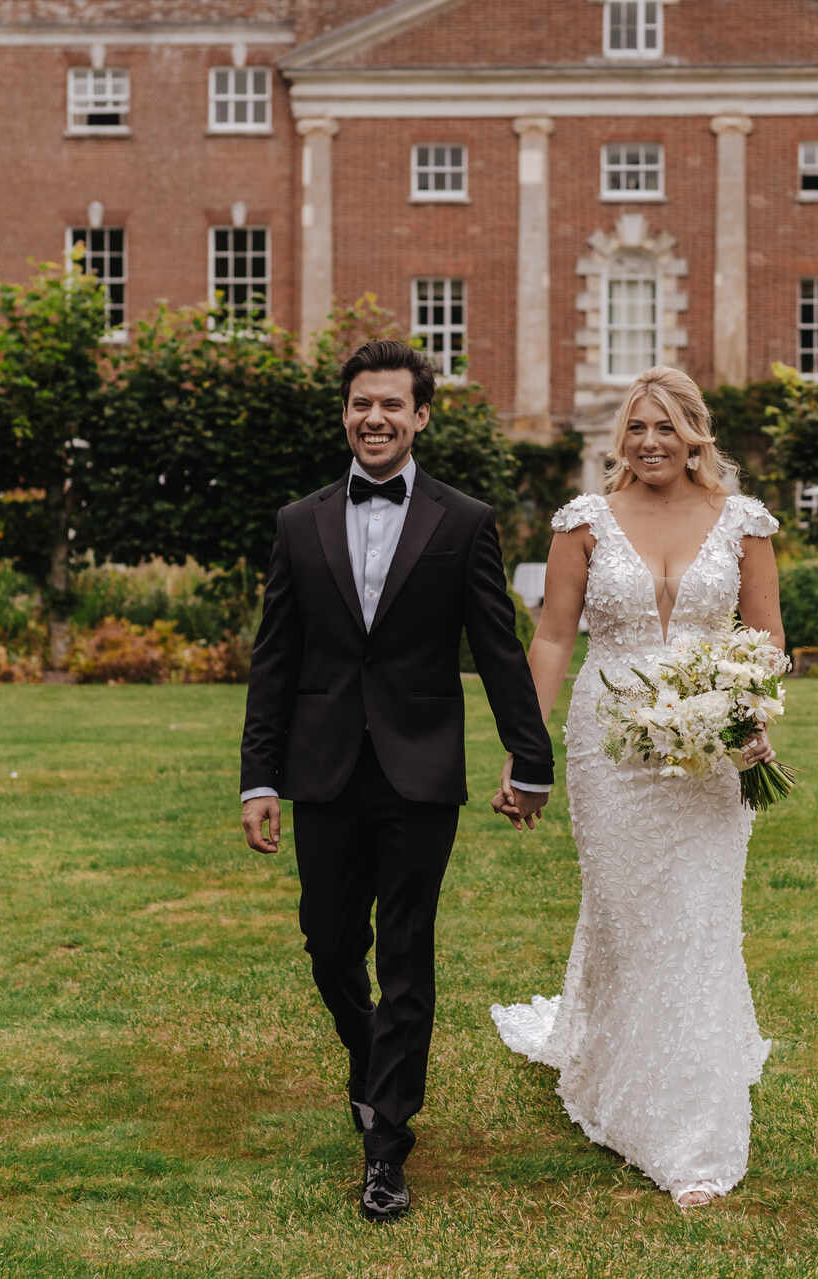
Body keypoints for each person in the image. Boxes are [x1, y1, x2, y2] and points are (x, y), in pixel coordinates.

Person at [240, 339, 554, 1224]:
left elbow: (497, 648)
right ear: (345, 413)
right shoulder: (298, 522)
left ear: (421, 415)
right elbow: (274, 662)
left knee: (407, 953)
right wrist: (258, 776)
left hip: (421, 772)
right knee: (329, 944)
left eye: (391, 405)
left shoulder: (464, 522)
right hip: (322, 769)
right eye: (359, 404)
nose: (372, 418)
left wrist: (531, 758)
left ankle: (386, 1145)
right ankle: (371, 1054)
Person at [489, 365, 784, 1209]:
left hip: (710, 751)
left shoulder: (744, 524)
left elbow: (766, 640)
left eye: (666, 427)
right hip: (608, 747)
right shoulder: (584, 523)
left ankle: (692, 1128)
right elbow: (550, 640)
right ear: (622, 438)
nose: (650, 442)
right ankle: (615, 1069)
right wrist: (525, 745)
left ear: (696, 434)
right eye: (636, 428)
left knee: (695, 916)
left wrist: (750, 715)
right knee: (626, 911)